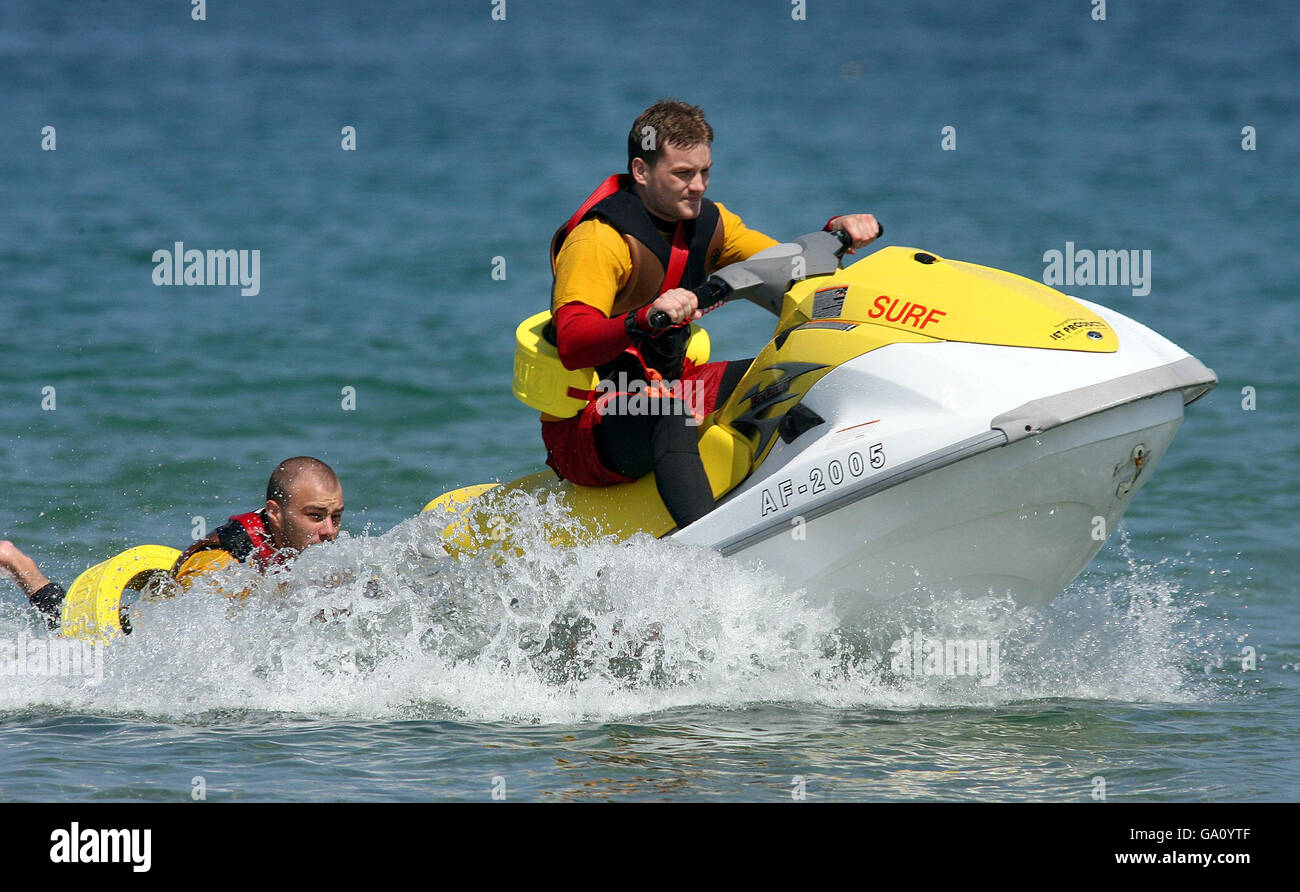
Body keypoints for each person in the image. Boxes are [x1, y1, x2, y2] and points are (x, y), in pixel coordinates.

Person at [541, 98, 881, 527]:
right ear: (642, 172)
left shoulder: (710, 224)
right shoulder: (599, 241)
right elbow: (573, 343)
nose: (698, 185)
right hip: (591, 423)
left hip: (673, 384)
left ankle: (830, 491)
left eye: (704, 172)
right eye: (682, 174)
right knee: (668, 412)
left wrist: (837, 233)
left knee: (794, 370)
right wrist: (643, 318)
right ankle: (708, 553)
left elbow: (788, 268)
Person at [0, 456, 344, 630]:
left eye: (336, 517)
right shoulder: (221, 560)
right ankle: (18, 564)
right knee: (67, 626)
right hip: (143, 631)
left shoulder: (308, 544)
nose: (330, 530)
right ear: (276, 514)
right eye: (315, 516)